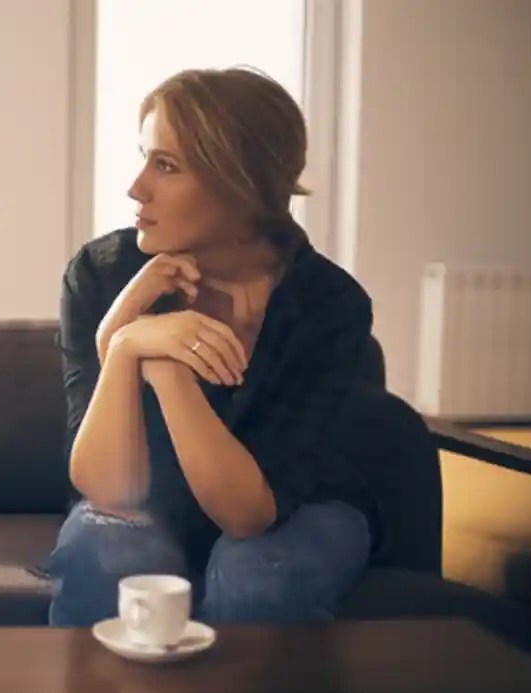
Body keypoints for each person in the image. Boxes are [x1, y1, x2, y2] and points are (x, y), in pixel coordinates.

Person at [48, 67, 380, 627]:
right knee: (108, 549)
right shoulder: (101, 275)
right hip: (152, 504)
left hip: (300, 508)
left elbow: (249, 515)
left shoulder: (329, 304)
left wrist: (167, 371)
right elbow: (107, 491)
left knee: (257, 571)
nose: (136, 188)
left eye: (166, 166)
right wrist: (128, 344)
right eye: (144, 158)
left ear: (241, 185)